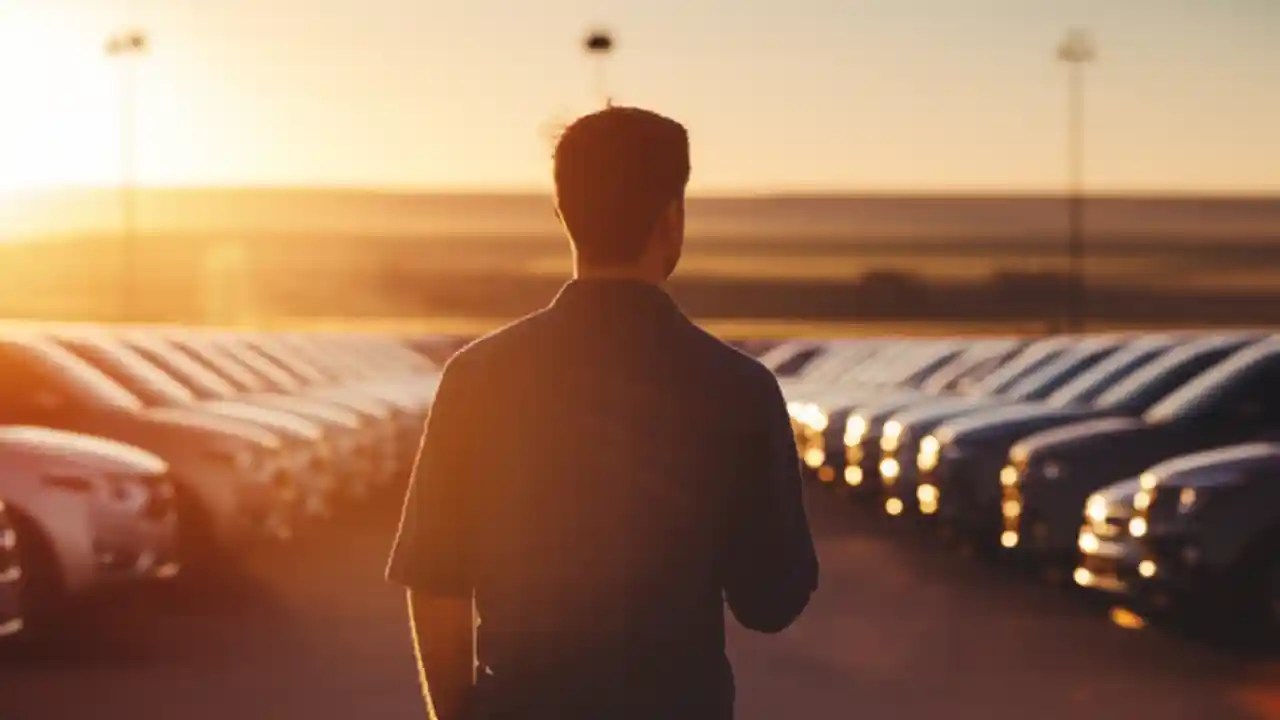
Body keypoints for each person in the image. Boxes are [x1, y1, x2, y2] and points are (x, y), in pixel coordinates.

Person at [387, 106, 819, 720]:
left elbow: (435, 580)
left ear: (563, 215)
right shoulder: (739, 388)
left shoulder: (476, 377)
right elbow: (771, 602)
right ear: (673, 218)